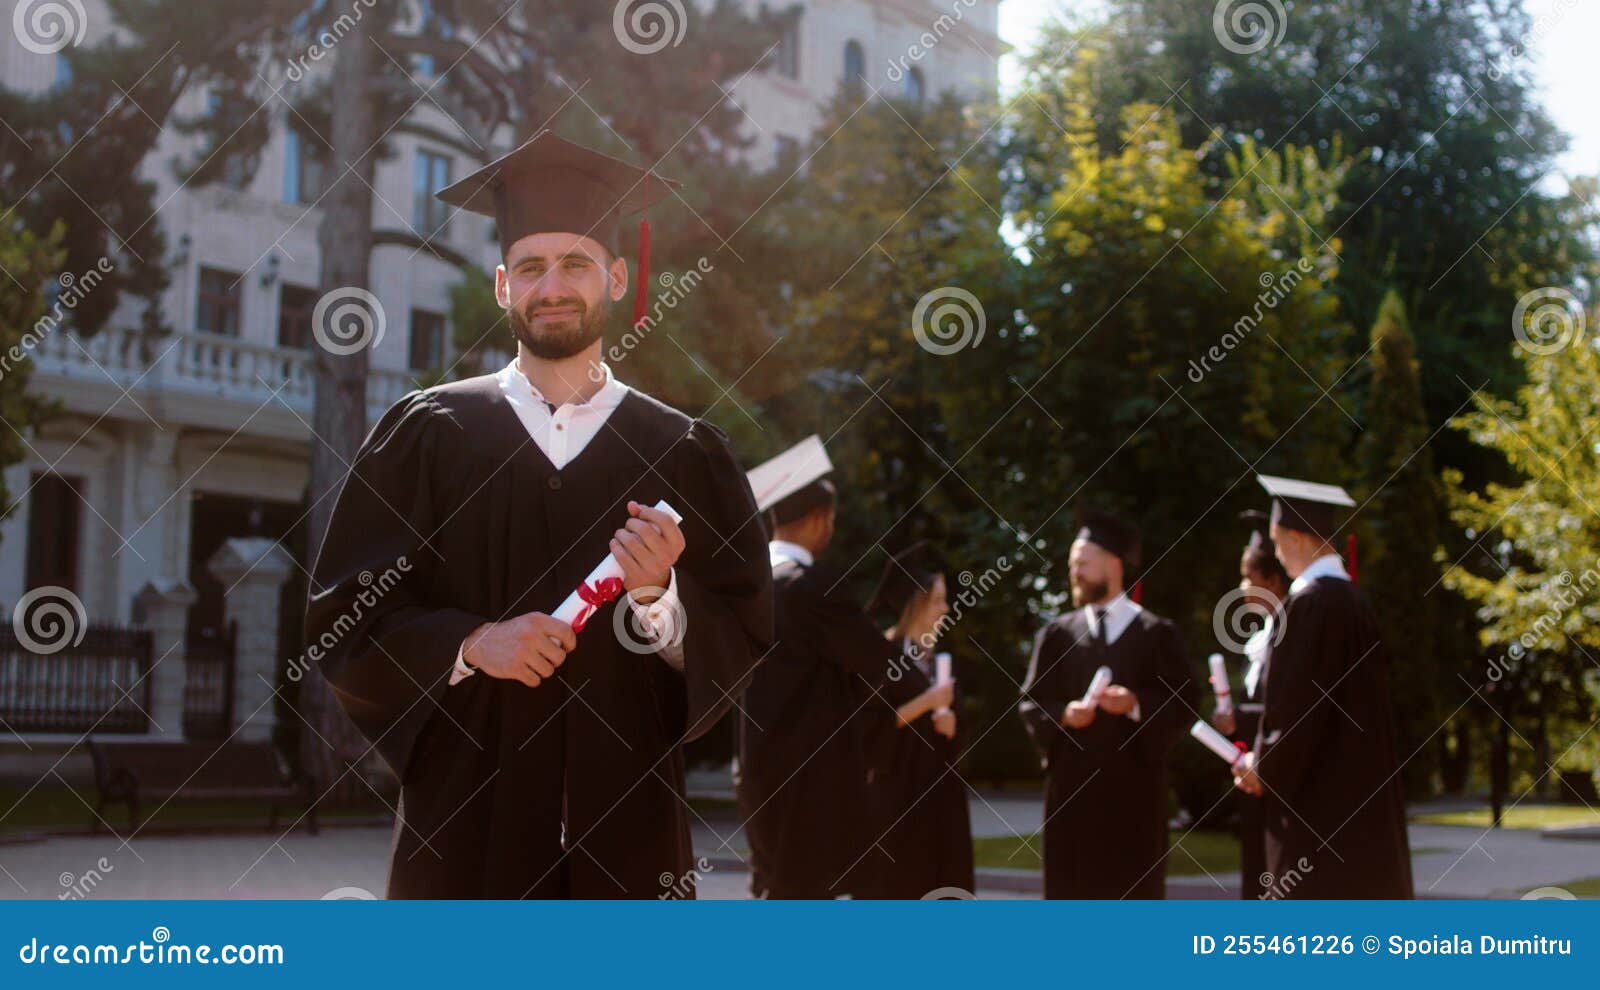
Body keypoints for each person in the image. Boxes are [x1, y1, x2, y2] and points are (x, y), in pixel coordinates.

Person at [305, 131, 774, 899]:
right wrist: (471, 643)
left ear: (616, 278)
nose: (552, 286)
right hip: (465, 836)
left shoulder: (680, 451)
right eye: (531, 268)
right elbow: (345, 621)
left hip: (629, 845)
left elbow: (744, 639)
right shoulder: (429, 435)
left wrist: (659, 597)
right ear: (502, 286)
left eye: (575, 264)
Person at [1231, 475, 1413, 899]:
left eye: (1278, 542)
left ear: (1296, 538)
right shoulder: (1356, 603)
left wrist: (1263, 767)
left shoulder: (1308, 606)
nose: (1277, 554)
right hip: (1360, 808)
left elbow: (1296, 710)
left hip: (1316, 816)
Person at [1018, 511, 1196, 899]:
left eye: (1084, 562)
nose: (1075, 572)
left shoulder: (1156, 633)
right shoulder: (1058, 635)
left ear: (1114, 565)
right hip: (1072, 802)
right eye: (1072, 564)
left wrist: (1136, 704)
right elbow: (1031, 702)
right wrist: (1064, 714)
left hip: (1134, 801)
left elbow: (1185, 704)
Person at [735, 474, 886, 898]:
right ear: (820, 519)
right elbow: (875, 660)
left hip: (754, 767)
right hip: (811, 779)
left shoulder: (746, 585)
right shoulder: (811, 585)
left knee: (778, 889)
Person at [857, 543, 974, 898]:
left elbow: (959, 729)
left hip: (941, 799)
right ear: (915, 604)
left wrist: (952, 726)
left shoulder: (937, 662)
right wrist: (926, 702)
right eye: (938, 600)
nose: (946, 609)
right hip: (896, 801)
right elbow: (867, 727)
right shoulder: (882, 658)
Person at [1213, 510, 1289, 899]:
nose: (1241, 588)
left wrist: (1240, 717)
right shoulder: (1262, 638)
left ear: (1272, 581)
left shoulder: (1290, 637)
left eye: (1248, 578)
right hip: (1255, 778)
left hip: (1281, 783)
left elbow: (1290, 713)